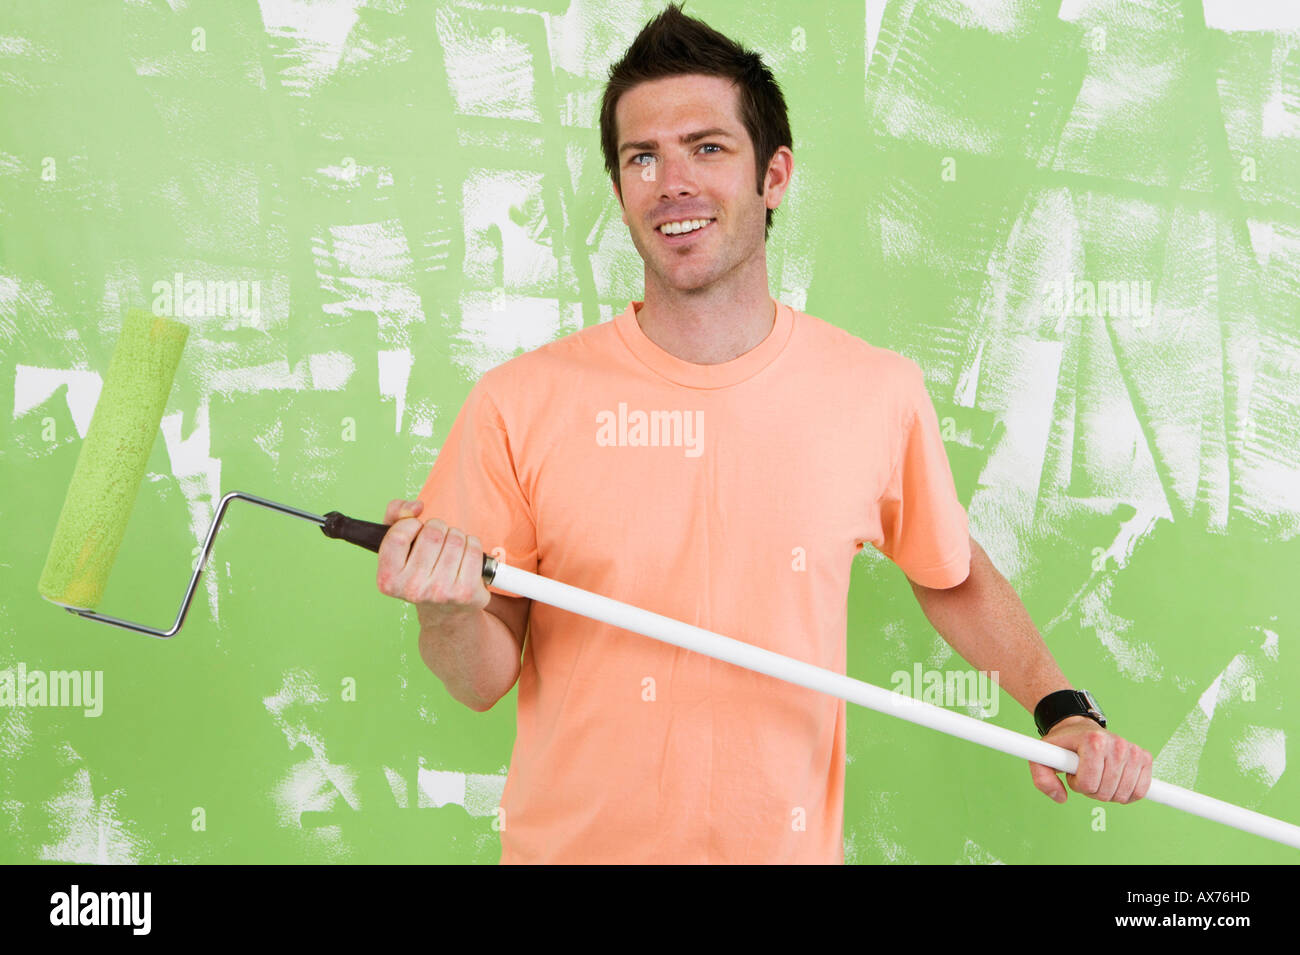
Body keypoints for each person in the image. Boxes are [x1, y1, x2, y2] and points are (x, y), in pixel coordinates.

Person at [376, 2, 1152, 864]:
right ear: (621, 187)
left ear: (773, 176)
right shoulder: (517, 403)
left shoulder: (874, 390)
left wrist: (1061, 706)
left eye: (708, 148)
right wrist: (446, 614)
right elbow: (480, 680)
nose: (673, 181)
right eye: (644, 157)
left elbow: (950, 571)